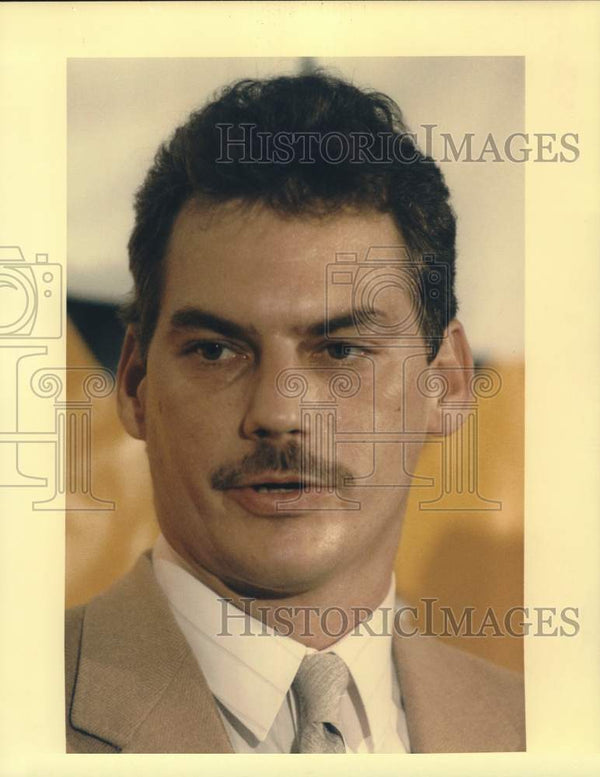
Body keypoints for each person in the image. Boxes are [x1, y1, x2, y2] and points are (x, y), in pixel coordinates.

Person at [65, 72, 525, 753]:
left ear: (450, 382)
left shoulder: (541, 731)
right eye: (217, 350)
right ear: (134, 381)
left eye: (341, 349)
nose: (278, 412)